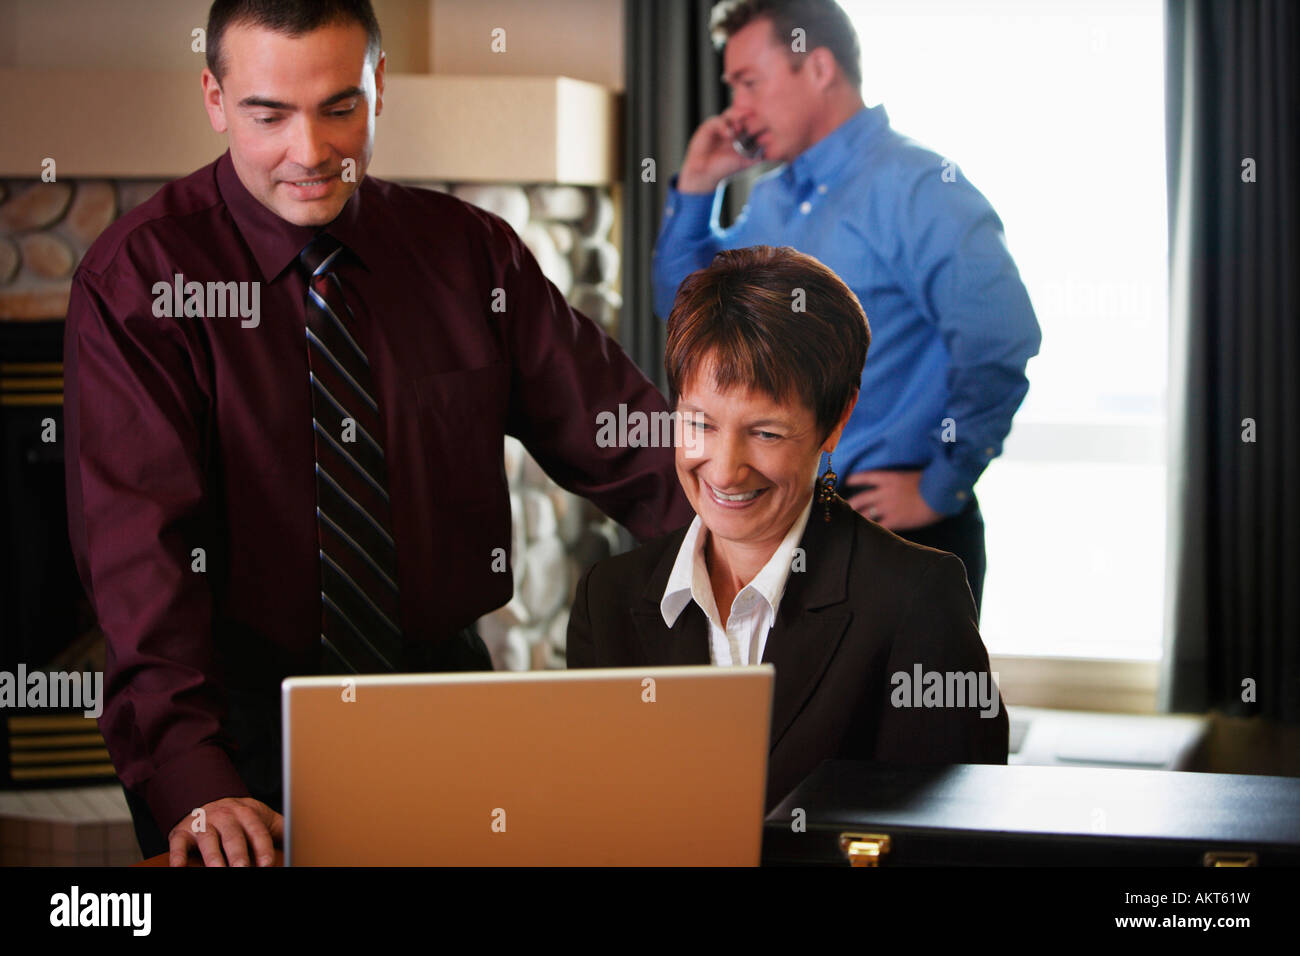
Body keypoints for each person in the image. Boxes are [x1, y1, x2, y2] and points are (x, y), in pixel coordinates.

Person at [63, 0, 691, 867]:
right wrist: (190, 773)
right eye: (268, 114)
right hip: (236, 729)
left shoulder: (471, 255)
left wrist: (783, 531)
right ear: (214, 98)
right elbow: (140, 556)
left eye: (338, 107)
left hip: (446, 700)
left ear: (379, 87)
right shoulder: (139, 280)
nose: (310, 152)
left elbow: (629, 441)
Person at [568, 246, 1008, 811]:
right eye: (699, 423)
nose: (725, 469)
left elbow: (948, 843)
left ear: (836, 421)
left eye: (767, 434)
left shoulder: (914, 598)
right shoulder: (607, 598)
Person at [652, 0, 1042, 614]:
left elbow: (1000, 338)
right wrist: (699, 189)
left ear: (820, 67)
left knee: (910, 711)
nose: (737, 109)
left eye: (750, 82)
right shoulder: (776, 198)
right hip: (783, 522)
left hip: (895, 528)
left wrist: (942, 485)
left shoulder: (921, 188)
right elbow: (689, 314)